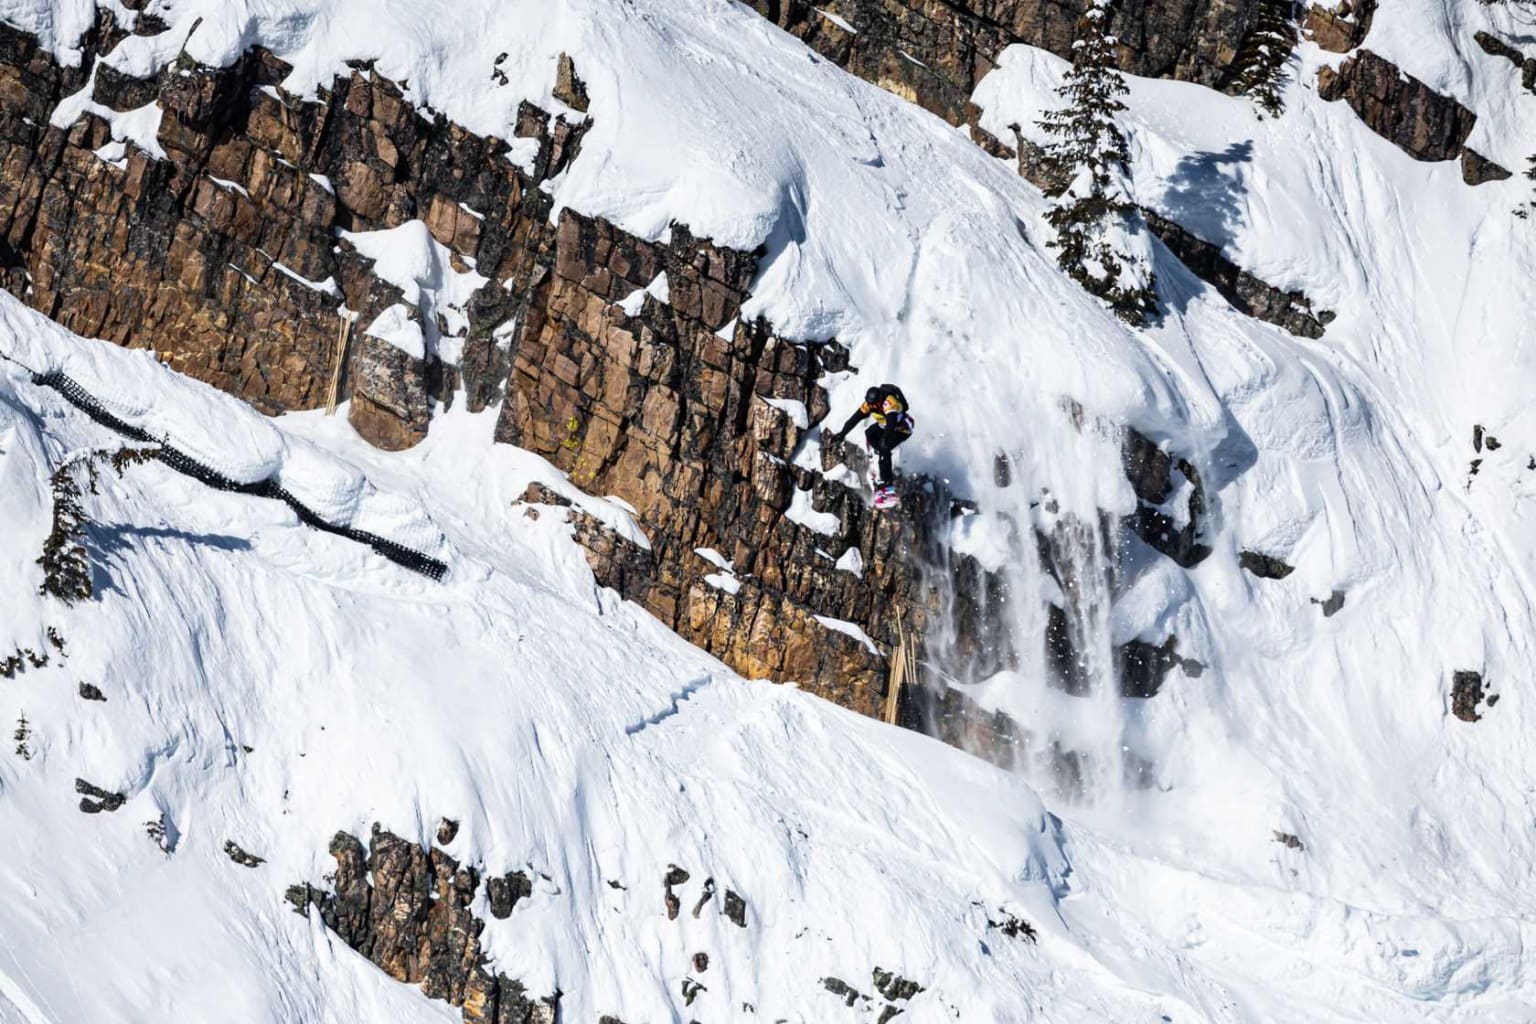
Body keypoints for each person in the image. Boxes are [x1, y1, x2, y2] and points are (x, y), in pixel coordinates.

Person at [827, 384, 914, 494]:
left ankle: (888, 484)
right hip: (884, 425)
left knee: (884, 446)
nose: (871, 407)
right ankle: (882, 456)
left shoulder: (889, 403)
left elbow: (891, 426)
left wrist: (884, 444)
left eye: (874, 405)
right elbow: (854, 419)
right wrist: (842, 433)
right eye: (870, 404)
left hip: (902, 429)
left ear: (880, 401)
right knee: (869, 433)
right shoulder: (869, 404)